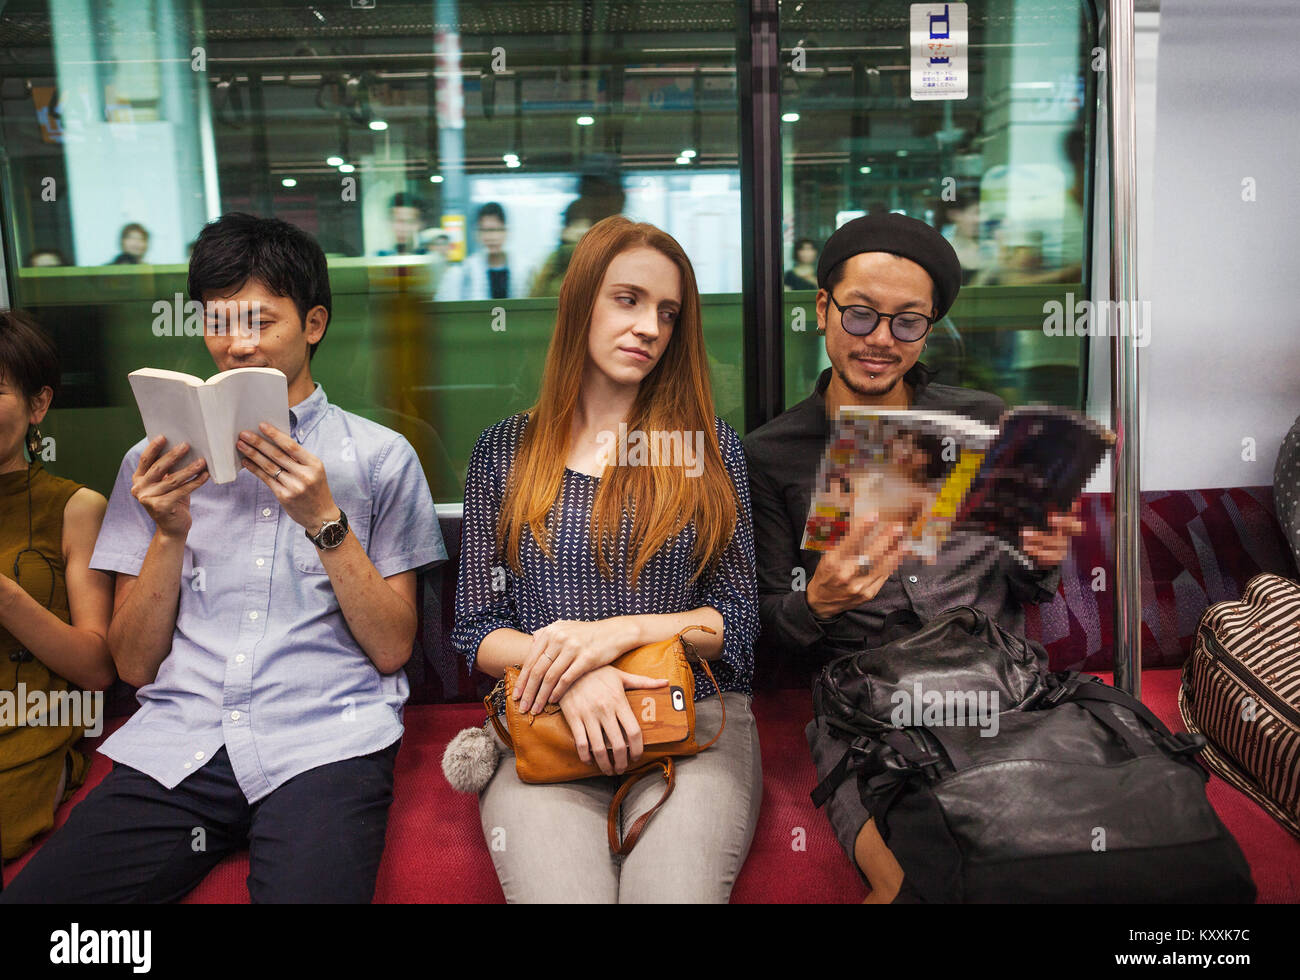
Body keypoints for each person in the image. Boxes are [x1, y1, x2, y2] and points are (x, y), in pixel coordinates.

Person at [1, 213, 445, 904]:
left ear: (314, 323)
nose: (236, 345)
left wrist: (324, 520)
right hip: (186, 736)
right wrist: (170, 532)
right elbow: (133, 664)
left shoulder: (381, 458)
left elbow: (392, 648)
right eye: (217, 322)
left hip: (325, 741)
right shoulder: (151, 466)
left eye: (260, 321)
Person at [742, 212, 1084, 903]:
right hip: (869, 711)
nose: (879, 341)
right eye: (862, 315)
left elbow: (1026, 585)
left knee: (1064, 862)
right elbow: (762, 629)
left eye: (907, 323)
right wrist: (818, 603)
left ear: (928, 328)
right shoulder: (771, 453)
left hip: (1002, 692)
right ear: (822, 309)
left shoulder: (978, 421)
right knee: (925, 883)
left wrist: (1041, 558)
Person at [452, 215, 761, 903]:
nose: (650, 326)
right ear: (580, 302)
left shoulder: (707, 445)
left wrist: (615, 635)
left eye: (668, 312)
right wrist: (569, 677)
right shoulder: (505, 451)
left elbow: (735, 625)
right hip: (547, 715)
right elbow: (475, 628)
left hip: (690, 720)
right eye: (628, 299)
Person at [0, 311, 114, 861]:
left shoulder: (75, 507)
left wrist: (6, 598)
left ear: (38, 405)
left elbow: (97, 668)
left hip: (25, 734)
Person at [528, 197, 601, 297]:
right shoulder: (555, 259)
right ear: (565, 231)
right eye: (576, 226)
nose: (581, 231)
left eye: (586, 225)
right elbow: (537, 295)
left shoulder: (600, 261)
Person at [439, 202, 512, 300]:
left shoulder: (523, 270)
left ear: (506, 232)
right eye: (485, 231)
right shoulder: (463, 272)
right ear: (476, 234)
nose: (491, 237)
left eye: (496, 230)